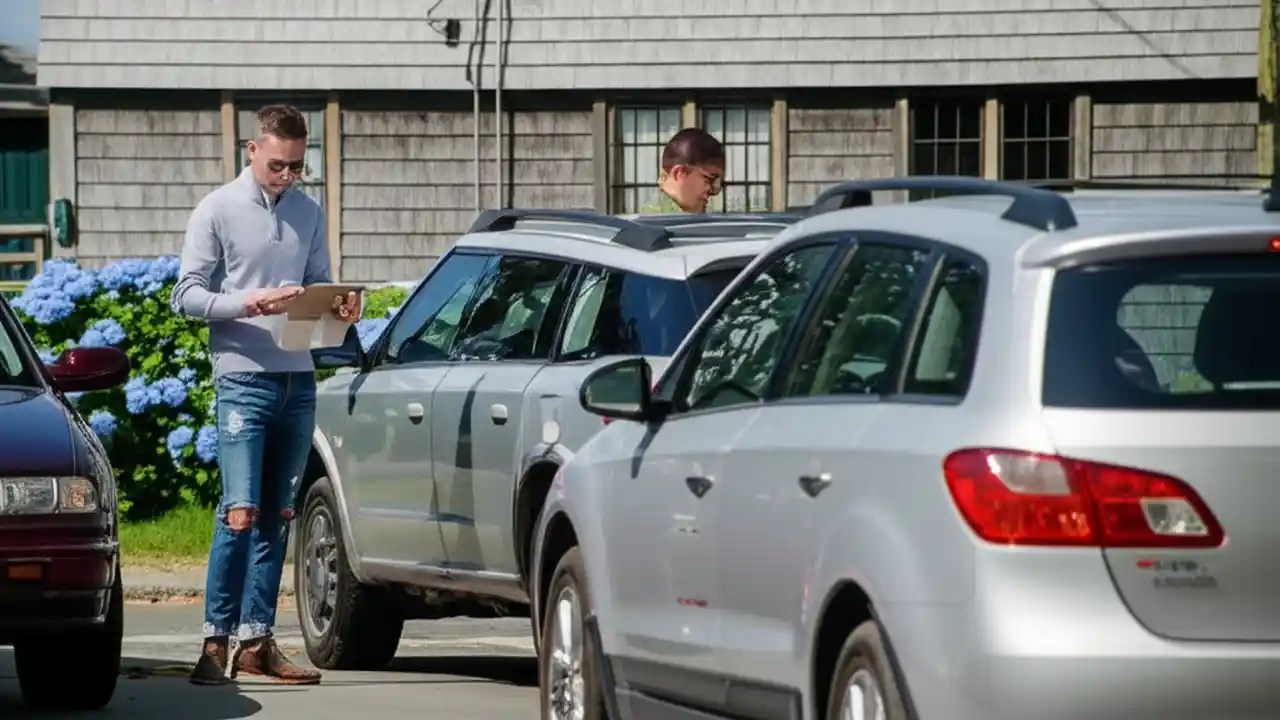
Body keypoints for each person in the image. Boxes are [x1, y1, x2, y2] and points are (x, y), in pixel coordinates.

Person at [170, 104, 361, 686]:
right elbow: (186, 297)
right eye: (278, 165)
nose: (288, 177)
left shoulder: (308, 210)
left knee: (279, 515)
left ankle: (257, 639)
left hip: (296, 379)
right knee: (239, 512)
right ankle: (213, 642)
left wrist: (341, 306)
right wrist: (249, 302)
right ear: (252, 151)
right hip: (242, 376)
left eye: (298, 167)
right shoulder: (217, 209)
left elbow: (320, 283)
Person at [640, 127, 725, 213]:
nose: (711, 191)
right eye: (709, 180)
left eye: (715, 183)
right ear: (679, 173)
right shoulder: (658, 221)